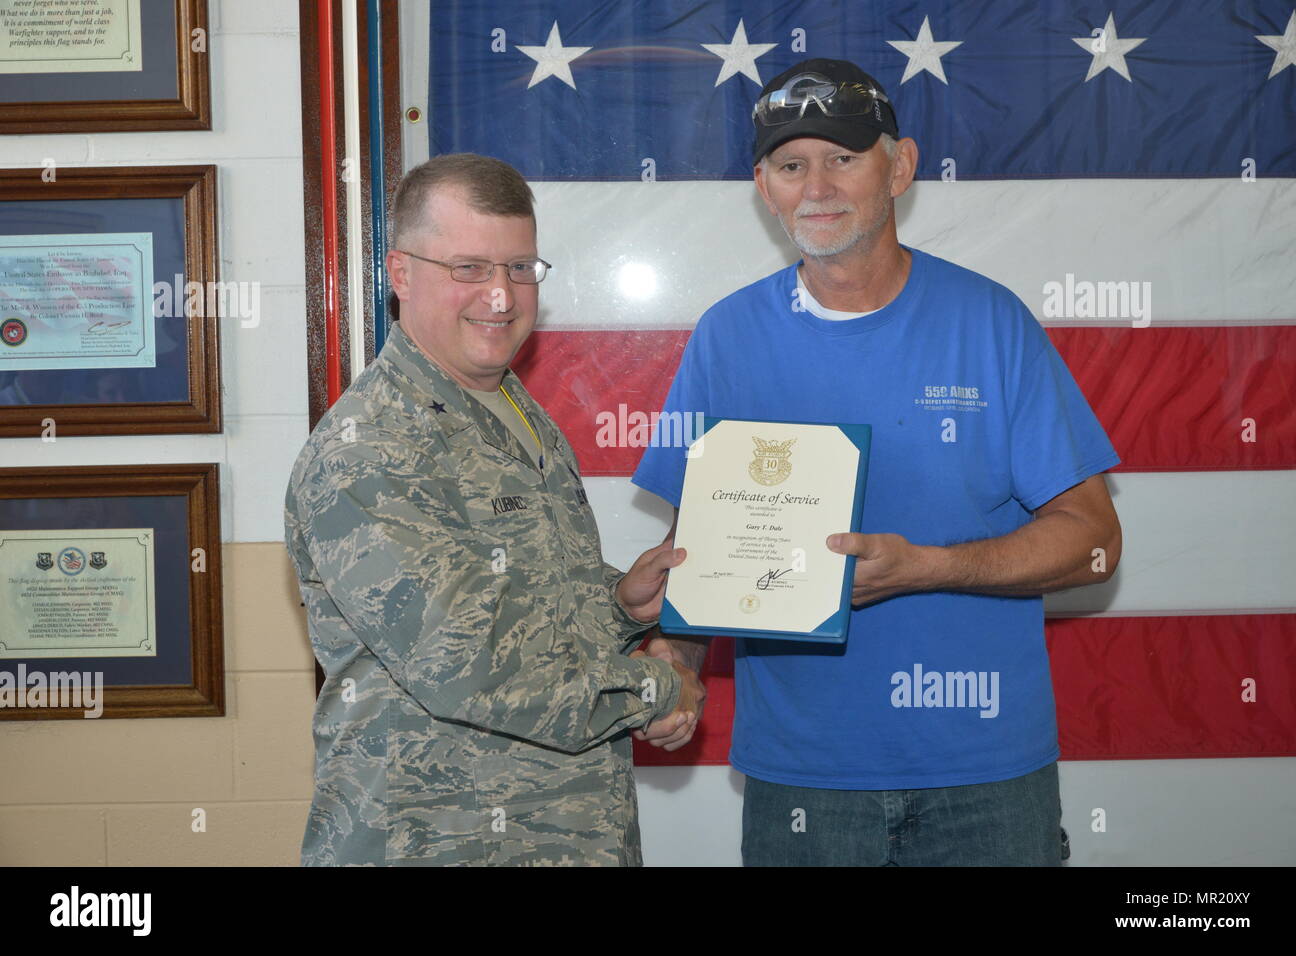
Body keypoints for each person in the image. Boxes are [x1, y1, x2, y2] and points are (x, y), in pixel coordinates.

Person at [633, 59, 1122, 866]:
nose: (817, 185)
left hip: (985, 770)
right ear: (764, 186)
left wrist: (927, 566)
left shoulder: (992, 323)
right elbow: (706, 553)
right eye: (792, 165)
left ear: (899, 166)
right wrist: (677, 666)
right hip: (804, 777)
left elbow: (1095, 540)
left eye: (844, 157)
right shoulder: (727, 336)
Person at [284, 153, 705, 866]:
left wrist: (619, 607)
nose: (502, 297)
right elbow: (472, 664)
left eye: (520, 269)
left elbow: (519, 606)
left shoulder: (512, 407)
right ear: (401, 274)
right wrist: (657, 685)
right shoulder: (374, 448)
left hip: (565, 835)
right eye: (469, 269)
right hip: (441, 842)